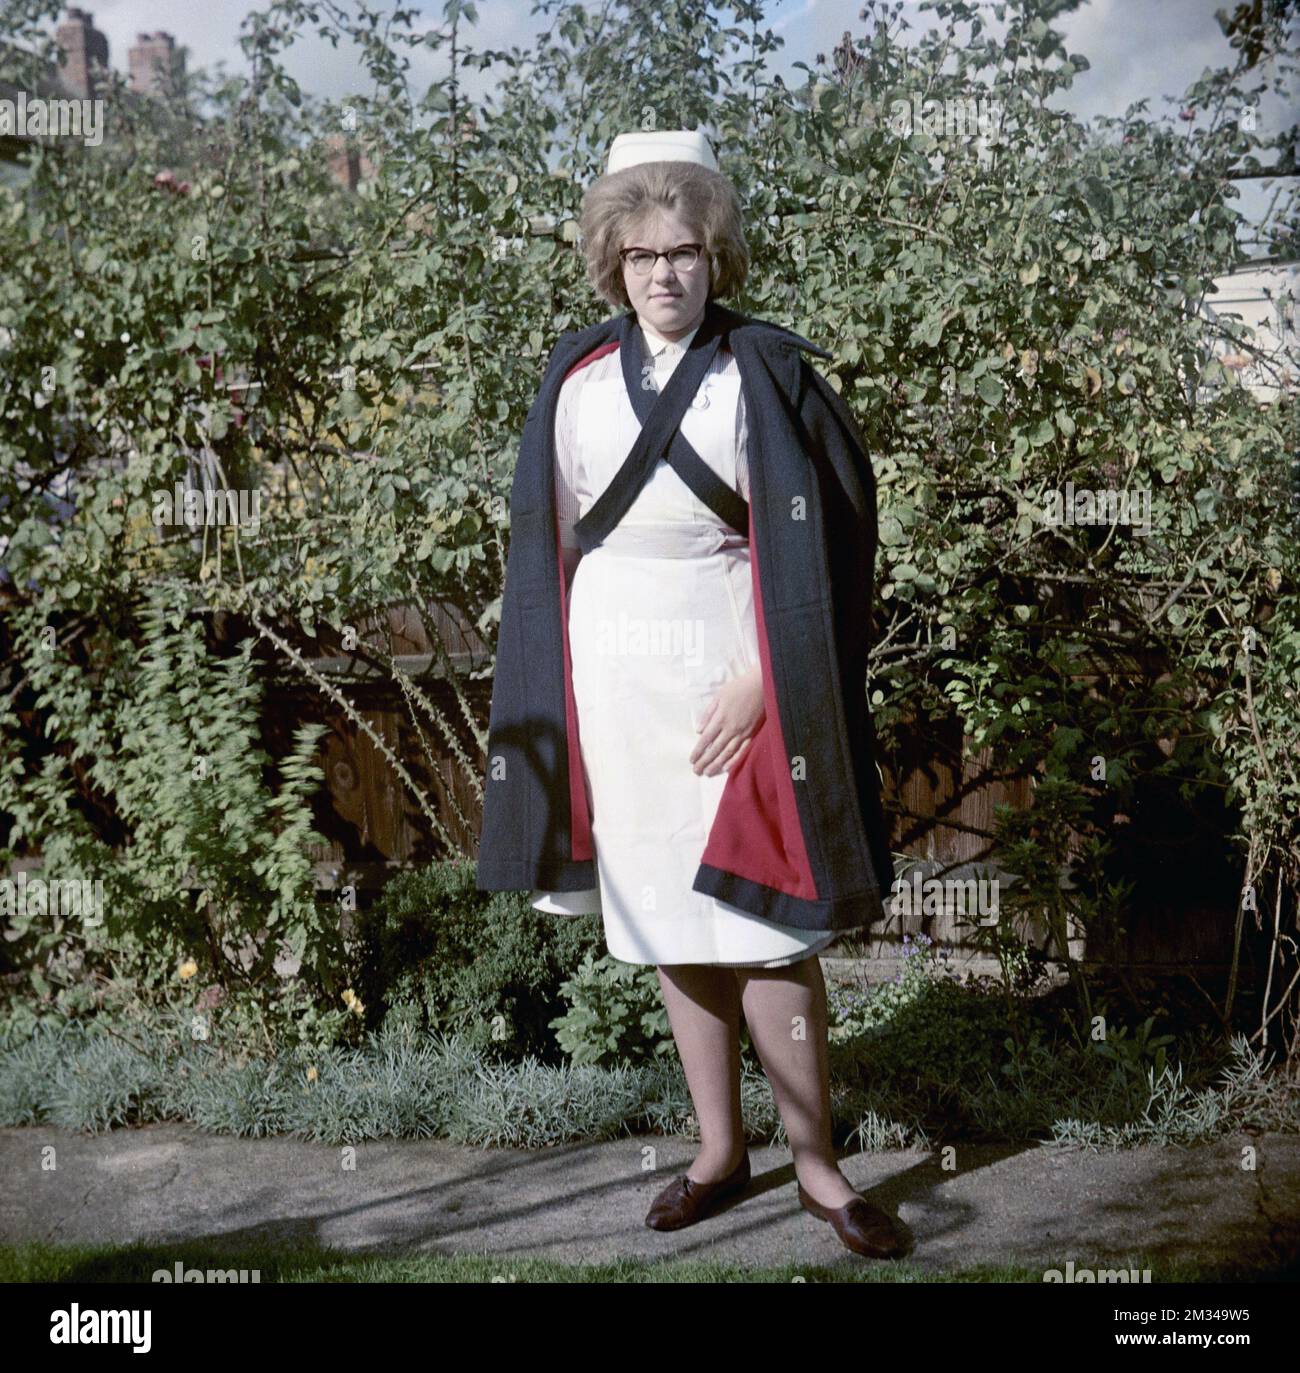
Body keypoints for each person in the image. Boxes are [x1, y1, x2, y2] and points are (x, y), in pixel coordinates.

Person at [478, 128, 904, 1259]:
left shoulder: (764, 371)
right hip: (619, 680)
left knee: (768, 927)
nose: (664, 273)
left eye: (685, 252)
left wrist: (770, 676)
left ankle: (818, 1162)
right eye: (641, 255)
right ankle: (721, 1152)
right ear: (610, 262)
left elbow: (833, 538)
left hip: (737, 663)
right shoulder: (571, 381)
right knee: (673, 922)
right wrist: (568, 689)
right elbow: (554, 541)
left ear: (717, 256)